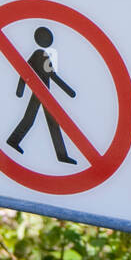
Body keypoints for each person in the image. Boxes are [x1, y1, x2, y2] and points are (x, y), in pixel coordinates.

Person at [6, 26, 79, 164]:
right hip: (40, 93)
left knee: (41, 120)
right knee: (38, 120)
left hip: (43, 93)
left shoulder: (44, 54)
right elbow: (25, 72)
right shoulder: (39, 54)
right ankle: (14, 140)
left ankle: (14, 140)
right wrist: (19, 90)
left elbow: (51, 75)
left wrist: (69, 91)